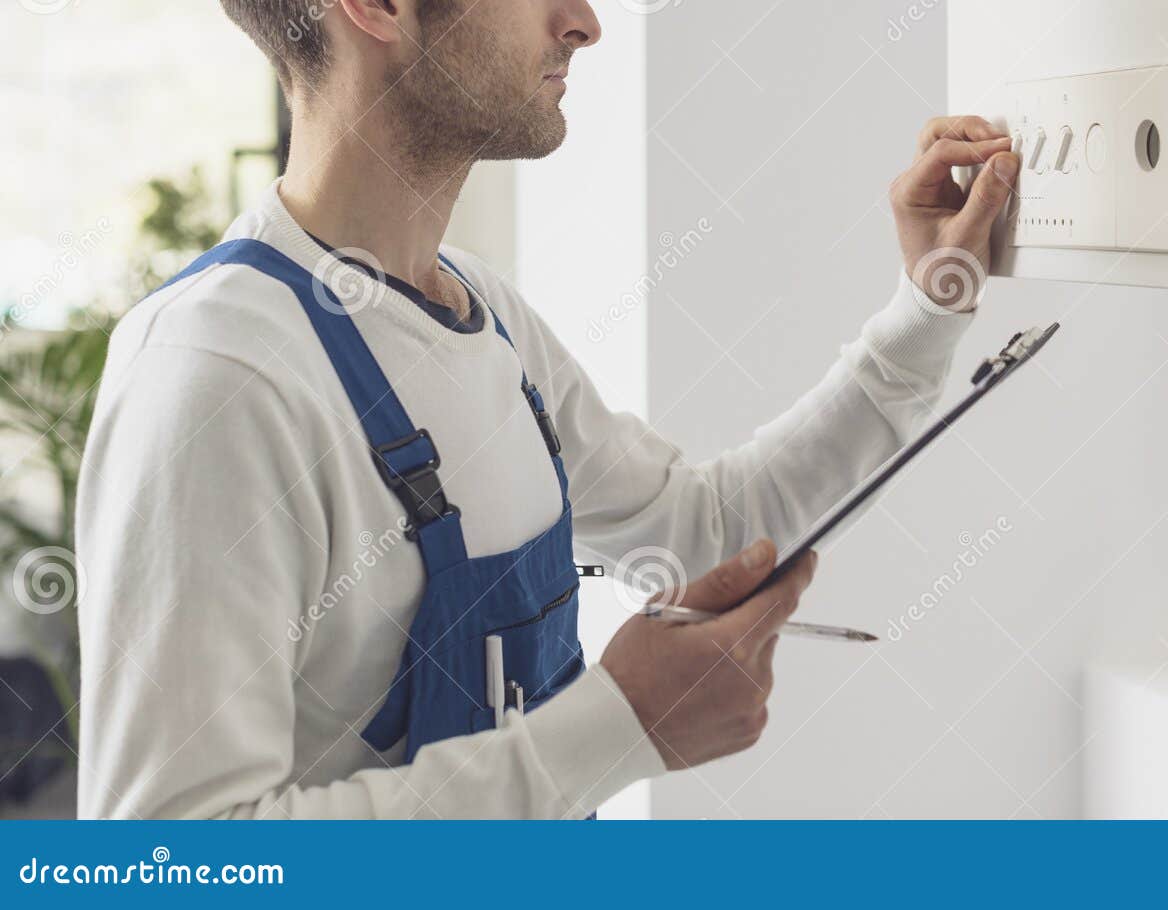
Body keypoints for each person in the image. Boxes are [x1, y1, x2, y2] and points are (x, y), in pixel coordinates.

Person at [74, 0, 1020, 819]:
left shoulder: (484, 316)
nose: (587, 24)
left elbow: (710, 528)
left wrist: (929, 304)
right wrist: (616, 728)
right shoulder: (218, 375)